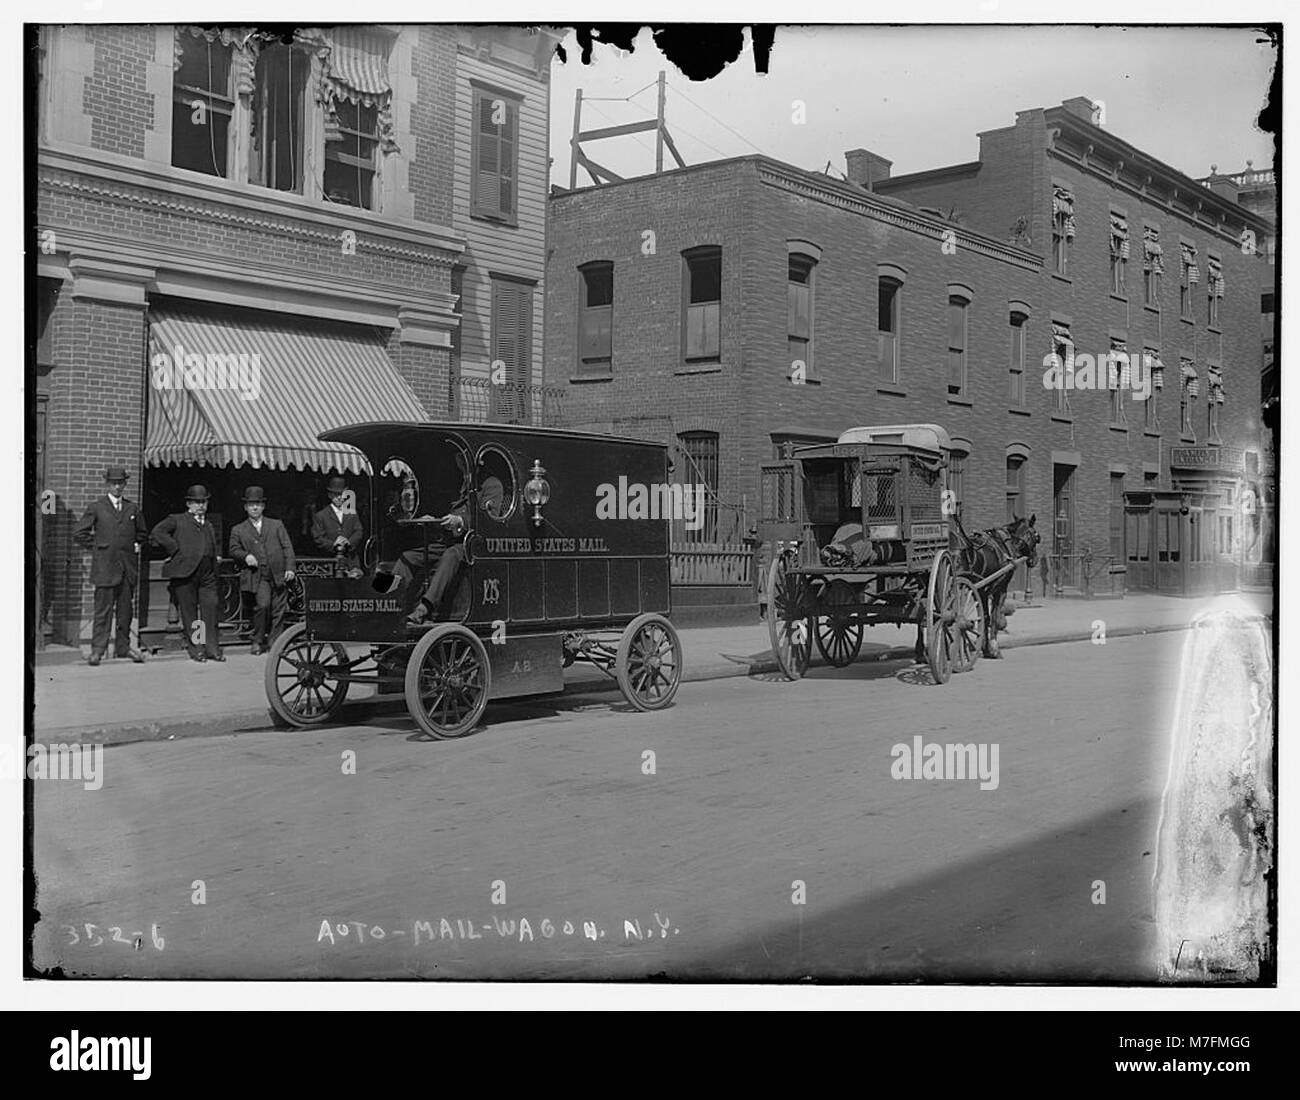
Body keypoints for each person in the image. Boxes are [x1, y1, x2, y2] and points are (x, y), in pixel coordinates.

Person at [396, 460, 504, 626]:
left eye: (463, 458)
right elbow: (450, 514)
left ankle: (424, 609)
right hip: (449, 539)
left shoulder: (491, 485)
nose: (460, 462)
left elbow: (489, 520)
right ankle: (392, 604)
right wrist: (434, 520)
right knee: (408, 557)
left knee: (451, 555)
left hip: (474, 544)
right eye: (458, 458)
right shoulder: (462, 484)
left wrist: (460, 520)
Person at [72, 465, 148, 665]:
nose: (117, 487)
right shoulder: (97, 507)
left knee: (125, 612)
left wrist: (137, 544)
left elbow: (142, 534)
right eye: (113, 483)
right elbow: (79, 533)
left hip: (126, 570)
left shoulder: (133, 508)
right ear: (108, 484)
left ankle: (123, 648)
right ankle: (98, 650)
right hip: (105, 569)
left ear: (125, 484)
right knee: (102, 612)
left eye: (120, 483)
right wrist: (99, 547)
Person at [150, 485, 224, 662]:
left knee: (210, 610)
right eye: (197, 502)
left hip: (207, 574)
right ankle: (197, 649)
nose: (200, 505)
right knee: (191, 614)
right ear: (189, 504)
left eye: (203, 502)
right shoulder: (177, 520)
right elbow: (158, 532)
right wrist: (175, 549)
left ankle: (212, 649)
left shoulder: (209, 524)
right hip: (186, 574)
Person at [228, 486, 296, 655]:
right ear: (246, 507)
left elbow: (287, 547)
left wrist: (290, 567)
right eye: (251, 505)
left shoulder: (276, 525)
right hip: (258, 576)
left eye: (258, 504)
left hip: (279, 573)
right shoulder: (238, 529)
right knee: (263, 606)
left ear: (263, 506)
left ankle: (275, 644)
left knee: (279, 610)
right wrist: (245, 556)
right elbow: (233, 549)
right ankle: (258, 640)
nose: (255, 508)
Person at [311, 475, 364, 576]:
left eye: (341, 494)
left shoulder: (352, 513)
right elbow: (317, 538)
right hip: (329, 564)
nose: (339, 498)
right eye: (335, 495)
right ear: (330, 495)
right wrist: (333, 544)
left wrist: (349, 542)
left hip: (351, 562)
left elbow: (359, 531)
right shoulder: (321, 515)